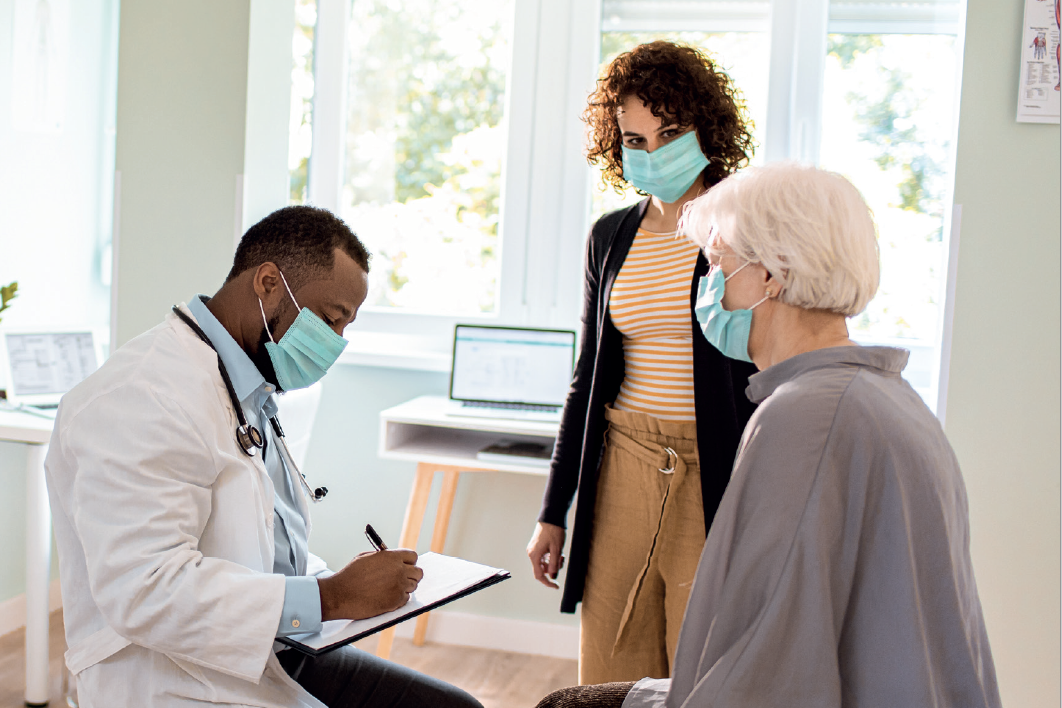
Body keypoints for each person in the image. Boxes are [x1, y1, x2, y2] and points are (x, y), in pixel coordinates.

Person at [536, 163, 1002, 708]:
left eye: (716, 264)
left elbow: (766, 667)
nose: (708, 288)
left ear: (772, 273)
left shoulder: (804, 419)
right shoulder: (889, 399)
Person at [45, 206, 482, 708]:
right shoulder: (142, 395)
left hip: (263, 648)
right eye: (331, 318)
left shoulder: (245, 386)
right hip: (168, 675)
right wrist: (332, 598)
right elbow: (145, 591)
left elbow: (256, 543)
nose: (335, 342)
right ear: (269, 283)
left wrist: (333, 582)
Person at [525, 40, 758, 684]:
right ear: (615, 144)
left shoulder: (745, 227)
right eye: (635, 138)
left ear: (707, 128)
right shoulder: (610, 236)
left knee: (702, 663)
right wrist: (553, 510)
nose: (653, 153)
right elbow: (586, 382)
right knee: (611, 660)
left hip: (715, 470)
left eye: (671, 132)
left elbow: (766, 371)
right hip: (623, 464)